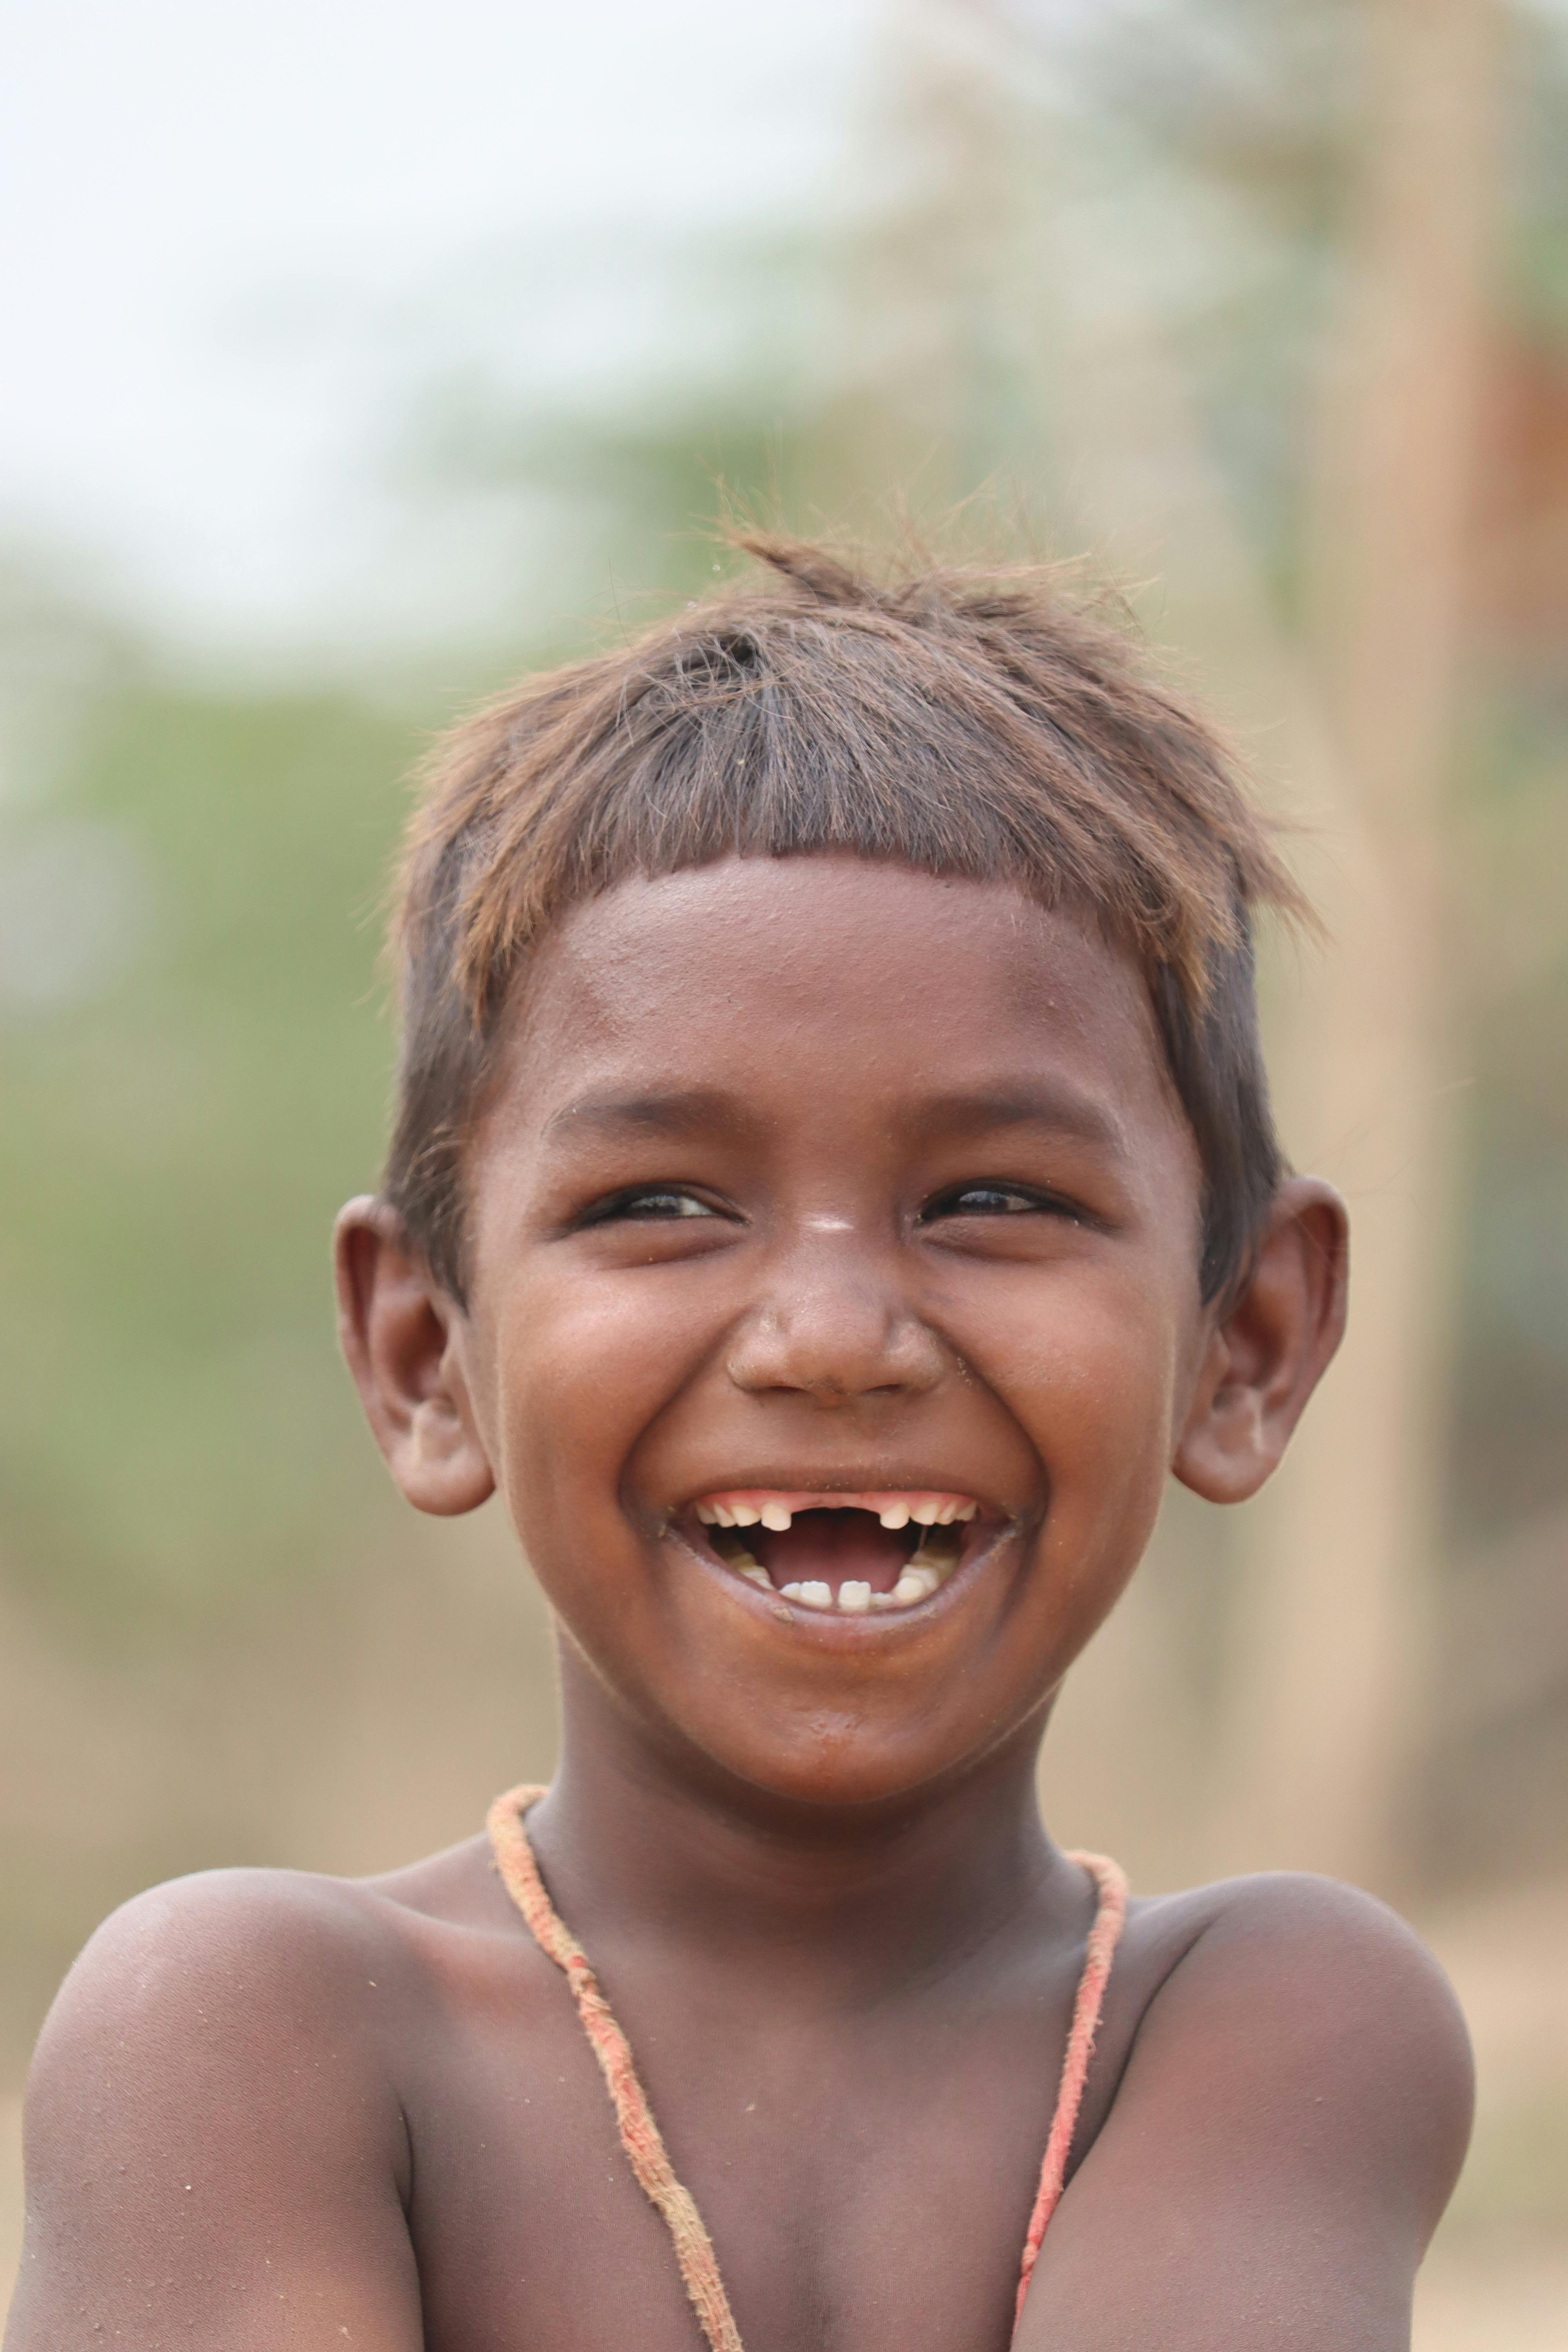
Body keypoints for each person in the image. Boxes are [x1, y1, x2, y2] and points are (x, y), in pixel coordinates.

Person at [6, 538, 1473, 2352]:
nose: (836, 1339)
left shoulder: (1266, 2022)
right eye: (666, 1202)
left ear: (1243, 1340)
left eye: (995, 1198)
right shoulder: (254, 2028)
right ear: (425, 1352)